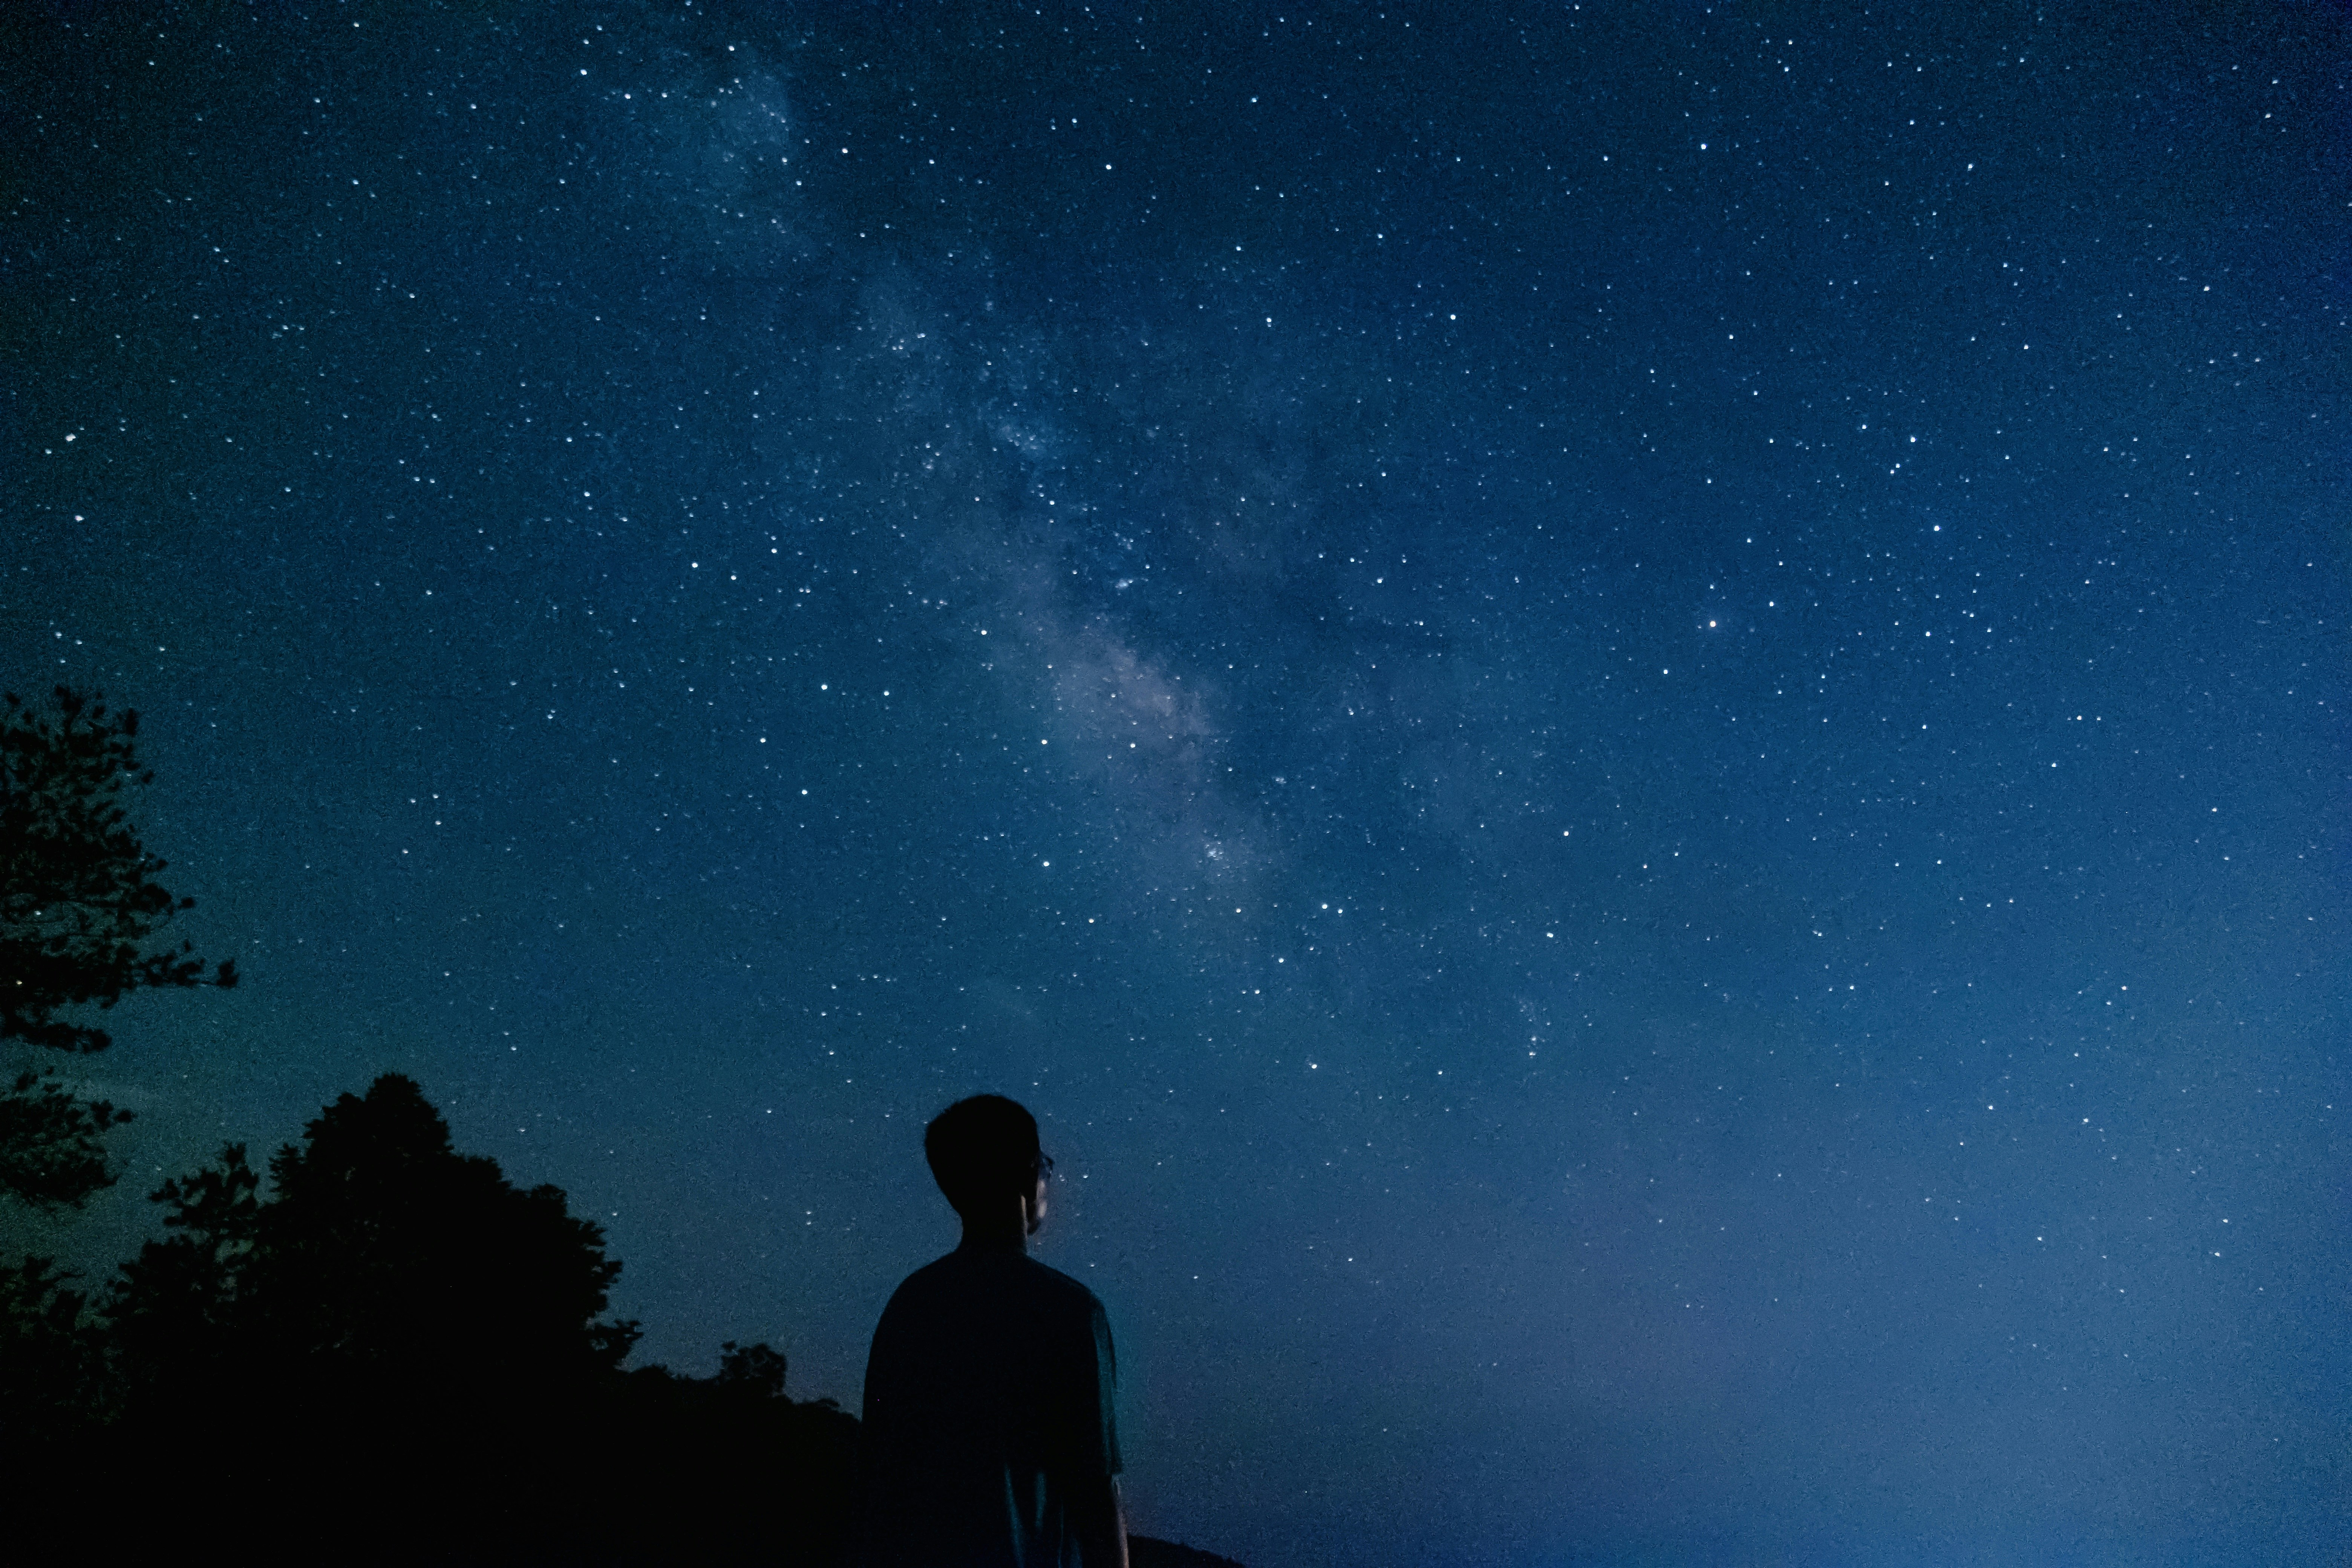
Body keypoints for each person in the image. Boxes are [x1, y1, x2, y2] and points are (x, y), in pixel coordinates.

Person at [860, 1095, 1129, 1568]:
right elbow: (1096, 1489)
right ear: (1028, 1171)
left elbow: (882, 1474)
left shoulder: (911, 1305)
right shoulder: (1068, 1310)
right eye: (1044, 1165)